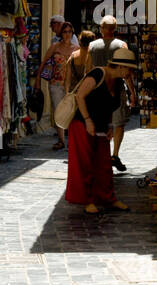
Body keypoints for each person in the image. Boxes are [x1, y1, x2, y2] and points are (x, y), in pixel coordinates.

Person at [66, 49, 139, 214]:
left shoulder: (117, 81)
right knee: (85, 163)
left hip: (100, 125)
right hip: (82, 124)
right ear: (120, 66)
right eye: (129, 69)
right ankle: (87, 200)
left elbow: (108, 106)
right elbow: (80, 96)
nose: (130, 73)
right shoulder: (98, 74)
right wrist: (87, 120)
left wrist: (110, 125)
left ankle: (108, 197)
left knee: (104, 164)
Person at [89, 17, 137, 171]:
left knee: (99, 124)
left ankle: (100, 155)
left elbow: (88, 70)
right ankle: (114, 154)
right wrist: (132, 92)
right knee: (118, 124)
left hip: (96, 89)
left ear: (101, 29)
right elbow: (127, 72)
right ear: (115, 29)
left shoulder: (92, 46)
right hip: (116, 88)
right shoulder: (121, 45)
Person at [35, 20, 75, 151]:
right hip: (55, 84)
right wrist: (37, 82)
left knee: (70, 112)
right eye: (65, 32)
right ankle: (61, 140)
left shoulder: (76, 49)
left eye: (69, 32)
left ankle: (72, 140)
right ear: (61, 33)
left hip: (71, 85)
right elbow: (43, 63)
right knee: (58, 111)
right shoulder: (55, 47)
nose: (67, 34)